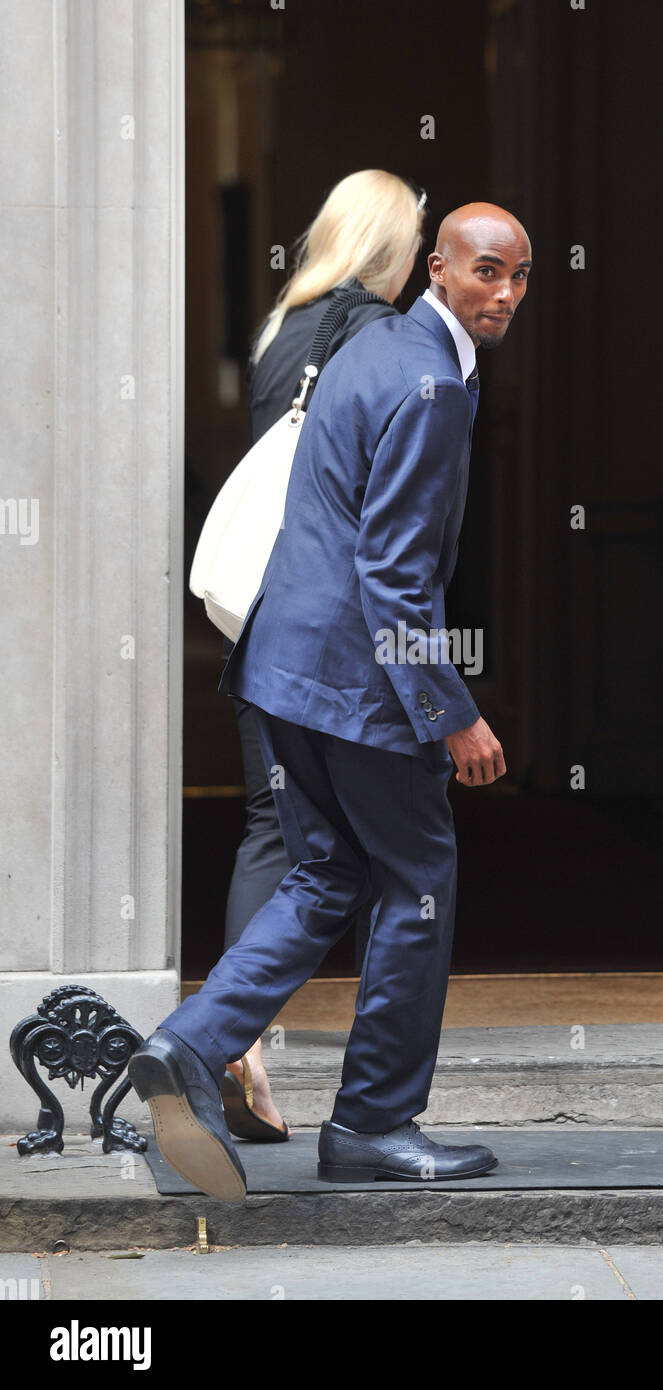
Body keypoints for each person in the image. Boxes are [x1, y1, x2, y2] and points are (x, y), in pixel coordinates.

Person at [130, 202, 533, 1199]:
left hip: (283, 668)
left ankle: (188, 1046)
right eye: (487, 272)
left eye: (521, 277)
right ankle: (374, 1123)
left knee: (324, 873)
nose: (506, 294)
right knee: (418, 879)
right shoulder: (433, 382)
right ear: (437, 267)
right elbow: (395, 575)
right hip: (357, 684)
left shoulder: (372, 345)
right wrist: (453, 713)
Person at [218, 171, 425, 1141]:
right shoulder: (371, 334)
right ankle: (368, 1103)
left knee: (276, 823)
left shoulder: (279, 329)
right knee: (377, 853)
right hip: (331, 620)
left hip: (262, 615)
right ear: (392, 250)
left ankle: (232, 1046)